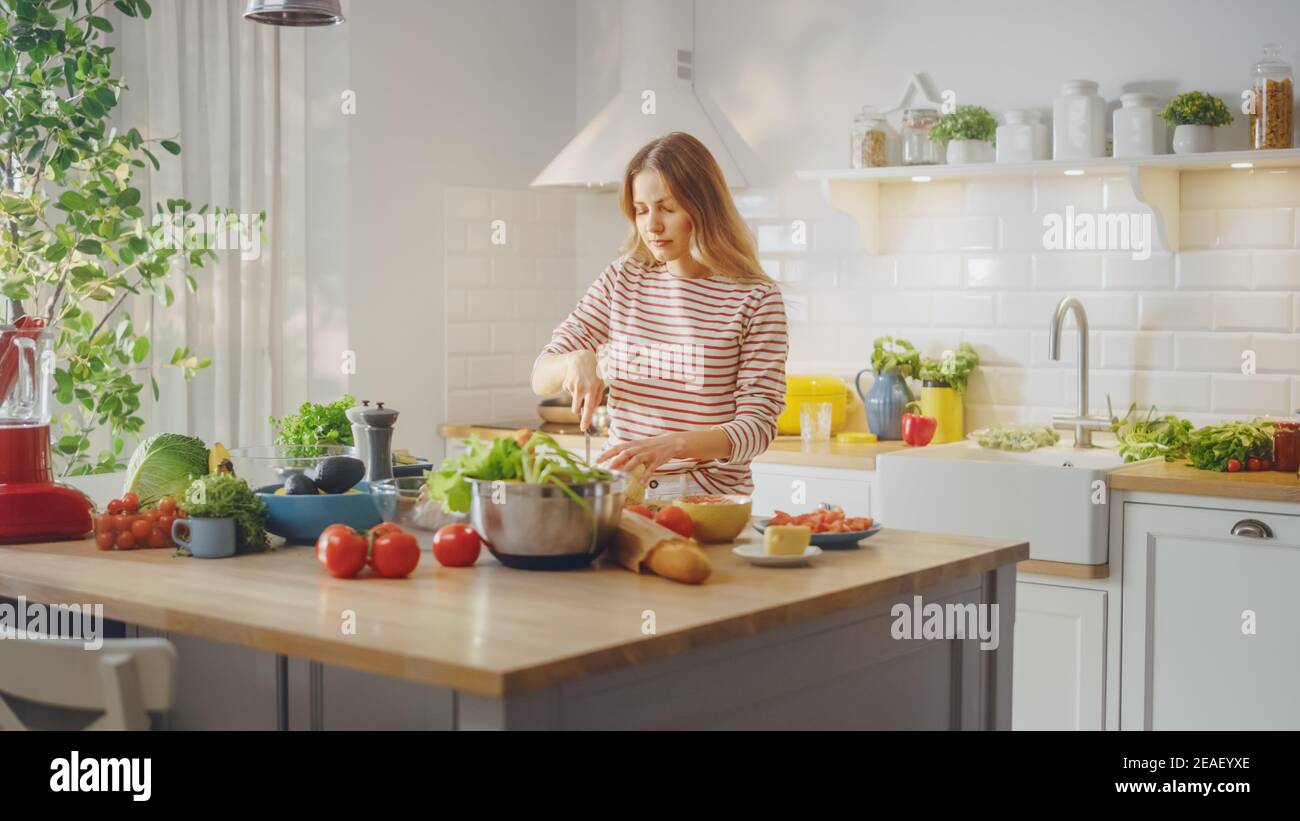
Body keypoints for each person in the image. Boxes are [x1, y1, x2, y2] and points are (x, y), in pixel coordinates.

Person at [530, 132, 788, 499]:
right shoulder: (623, 279)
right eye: (641, 210)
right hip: (621, 494)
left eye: (667, 208)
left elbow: (757, 428)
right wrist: (575, 359)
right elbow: (541, 375)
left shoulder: (756, 299)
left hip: (708, 501)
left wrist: (672, 445)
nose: (651, 226)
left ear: (703, 207)